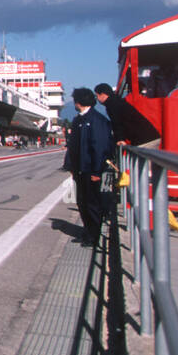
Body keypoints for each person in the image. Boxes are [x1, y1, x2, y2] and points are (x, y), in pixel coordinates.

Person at [66, 87, 114, 246]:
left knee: (92, 203)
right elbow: (72, 146)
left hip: (91, 169)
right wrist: (71, 166)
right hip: (80, 168)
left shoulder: (97, 120)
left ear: (79, 101)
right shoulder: (78, 119)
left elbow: (100, 148)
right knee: (82, 202)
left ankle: (93, 236)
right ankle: (86, 232)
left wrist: (96, 171)